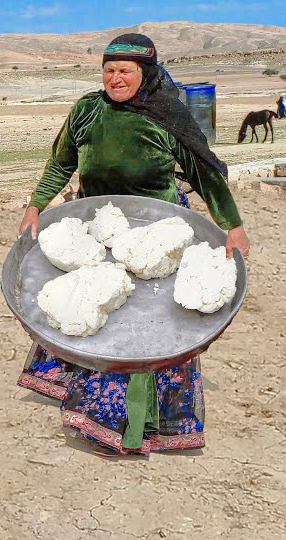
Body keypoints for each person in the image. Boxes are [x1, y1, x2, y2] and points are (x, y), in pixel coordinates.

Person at [17, 33, 251, 456]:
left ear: (146, 73)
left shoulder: (167, 115)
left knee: (148, 329)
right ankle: (89, 413)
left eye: (125, 71)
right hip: (99, 227)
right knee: (93, 315)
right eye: (109, 70)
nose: (115, 78)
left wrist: (231, 225)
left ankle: (140, 425)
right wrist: (36, 205)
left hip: (156, 234)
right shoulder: (87, 110)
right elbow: (61, 163)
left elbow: (204, 175)